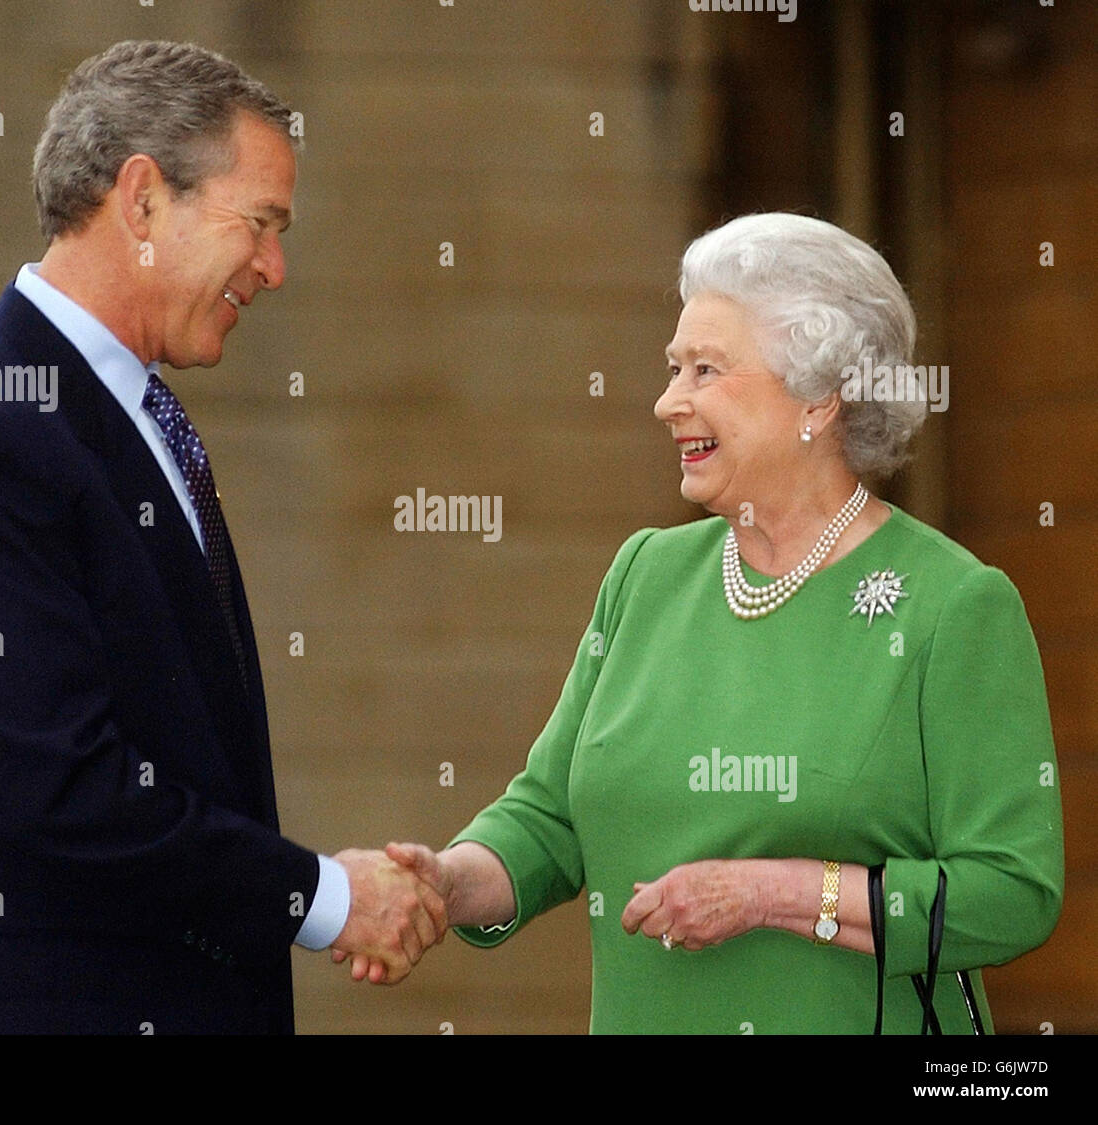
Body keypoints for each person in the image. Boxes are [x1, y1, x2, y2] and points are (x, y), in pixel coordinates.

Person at [335, 213, 1065, 1033]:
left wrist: (771, 892)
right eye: (673, 368)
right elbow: (549, 818)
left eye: (705, 369)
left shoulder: (953, 605)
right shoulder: (646, 574)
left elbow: (1013, 893)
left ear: (819, 397)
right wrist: (445, 881)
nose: (666, 401)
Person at [0, 40, 444, 1035]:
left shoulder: (128, 417)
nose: (276, 268)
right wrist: (325, 897)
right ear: (140, 200)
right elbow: (56, 787)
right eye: (259, 223)